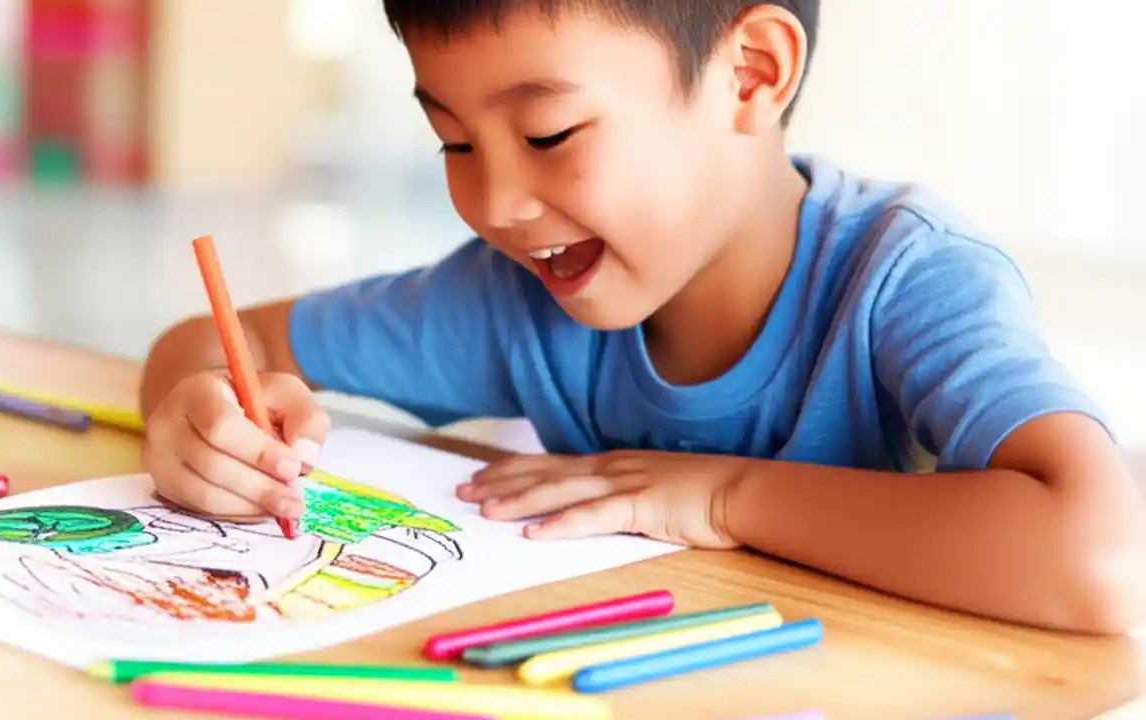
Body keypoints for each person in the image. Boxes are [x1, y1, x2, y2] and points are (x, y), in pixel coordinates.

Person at [137, 0, 1145, 634]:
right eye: (451, 141)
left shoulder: (903, 277)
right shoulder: (513, 298)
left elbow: (1102, 558)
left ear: (750, 73)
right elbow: (214, 339)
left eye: (548, 131)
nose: (493, 205)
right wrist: (200, 410)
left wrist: (722, 498)